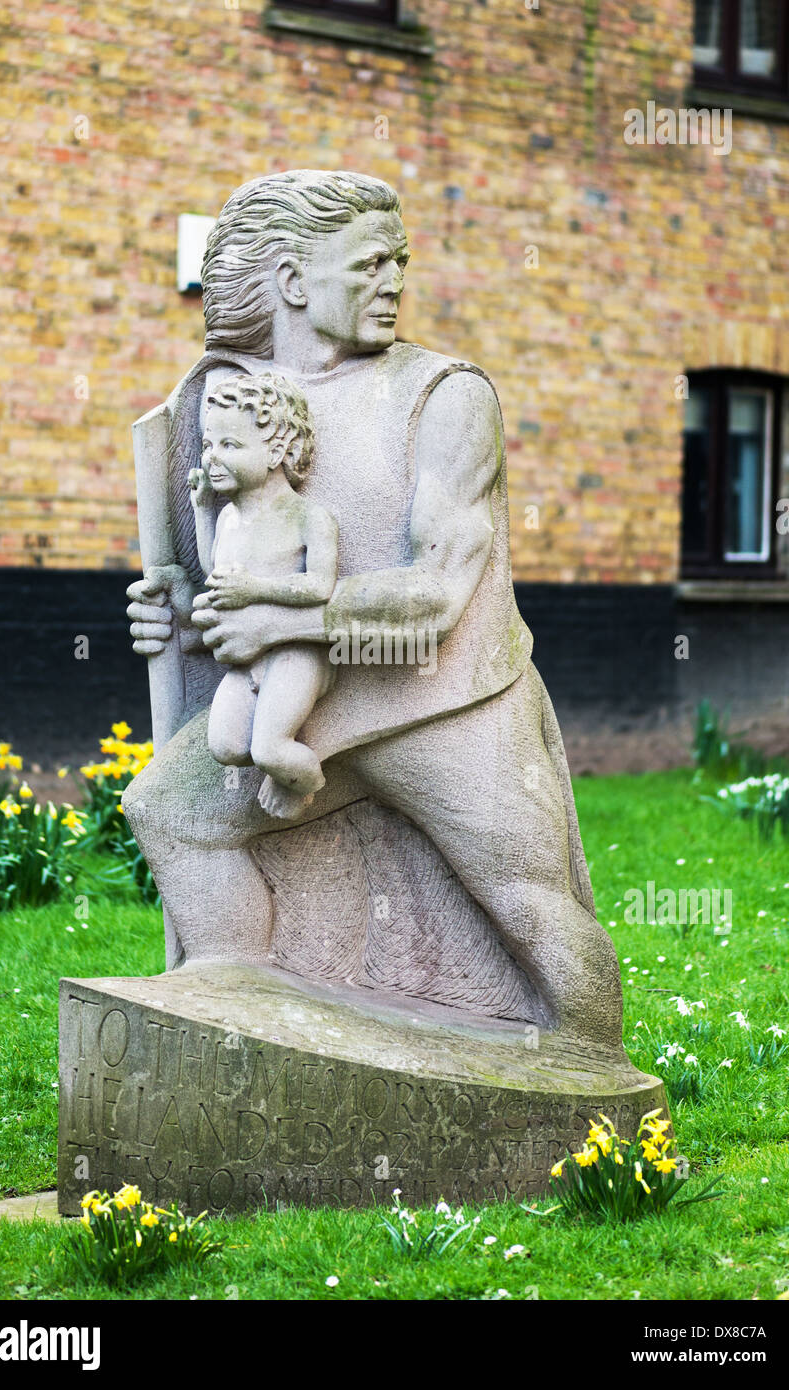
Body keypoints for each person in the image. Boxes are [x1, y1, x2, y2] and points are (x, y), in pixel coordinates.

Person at [125, 169, 622, 1048]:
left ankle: (591, 1073)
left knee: (525, 895)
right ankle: (237, 998)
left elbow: (437, 592)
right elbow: (231, 570)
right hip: (301, 698)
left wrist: (290, 623)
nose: (394, 282)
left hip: (443, 698)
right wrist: (177, 614)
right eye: (368, 265)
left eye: (399, 261)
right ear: (290, 281)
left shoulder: (445, 395)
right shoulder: (229, 398)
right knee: (169, 812)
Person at [189, 372, 337, 818]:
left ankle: (307, 783)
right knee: (227, 745)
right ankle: (283, 762)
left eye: (229, 446)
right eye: (208, 445)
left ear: (276, 451)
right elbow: (215, 569)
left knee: (271, 750)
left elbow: (320, 586)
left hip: (296, 656)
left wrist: (255, 590)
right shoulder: (230, 518)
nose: (212, 458)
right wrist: (200, 512)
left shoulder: (308, 516)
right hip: (245, 663)